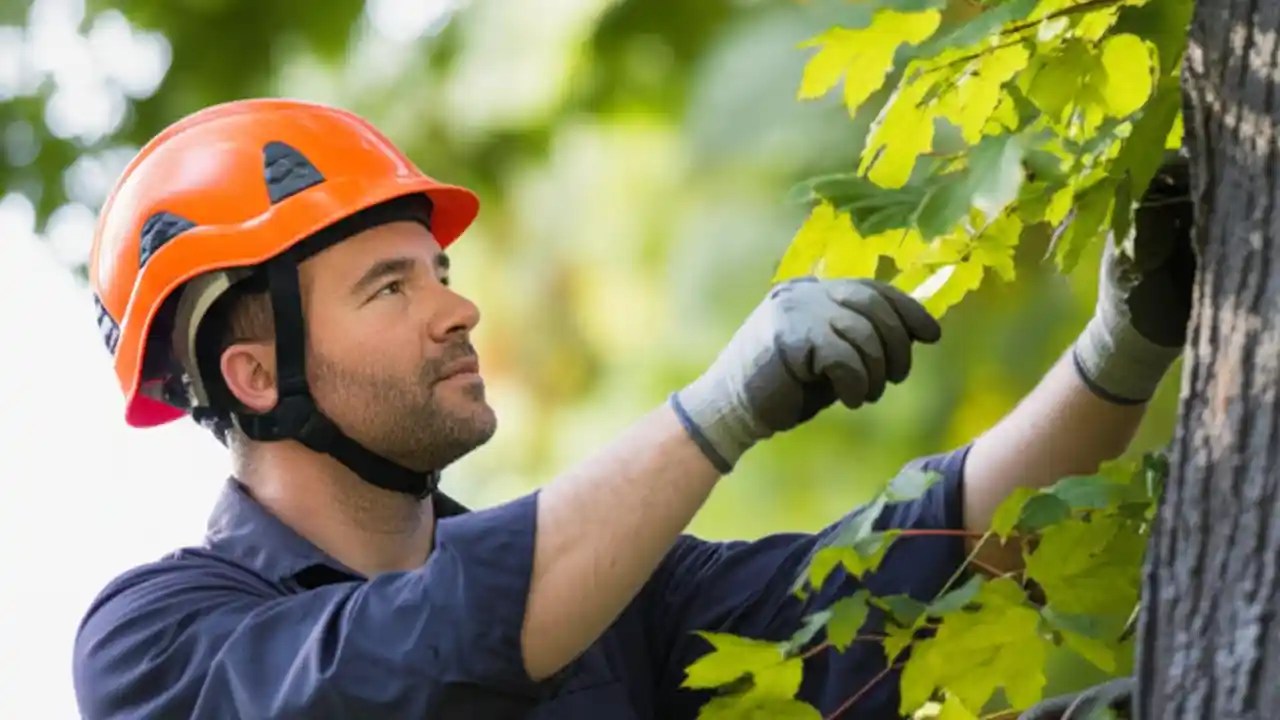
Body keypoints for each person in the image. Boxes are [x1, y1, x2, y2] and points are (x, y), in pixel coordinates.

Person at [71, 98, 1193, 720]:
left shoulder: (614, 599)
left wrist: (1119, 351)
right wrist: (718, 411)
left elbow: (910, 568)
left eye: (440, 272)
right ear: (258, 378)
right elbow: (412, 656)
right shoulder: (156, 649)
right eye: (389, 286)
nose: (455, 312)